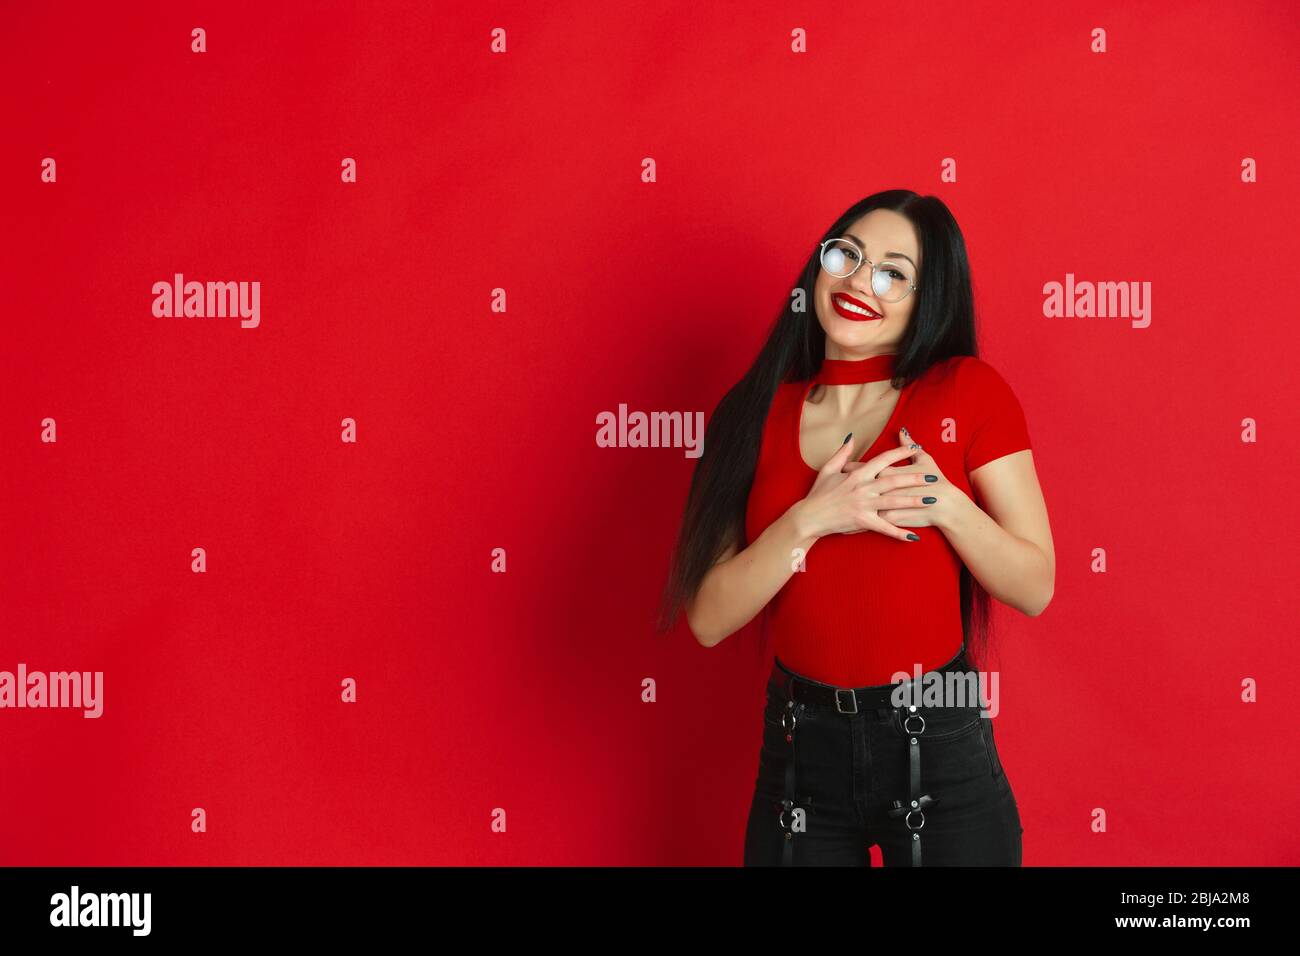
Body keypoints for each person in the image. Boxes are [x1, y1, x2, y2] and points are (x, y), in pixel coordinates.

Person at [655, 190, 1054, 865]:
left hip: (940, 747)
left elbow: (1034, 586)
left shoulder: (967, 391)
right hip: (799, 752)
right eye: (846, 255)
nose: (859, 282)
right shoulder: (750, 412)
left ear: (927, 299)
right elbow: (709, 619)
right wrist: (814, 517)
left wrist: (947, 504)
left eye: (894, 273)